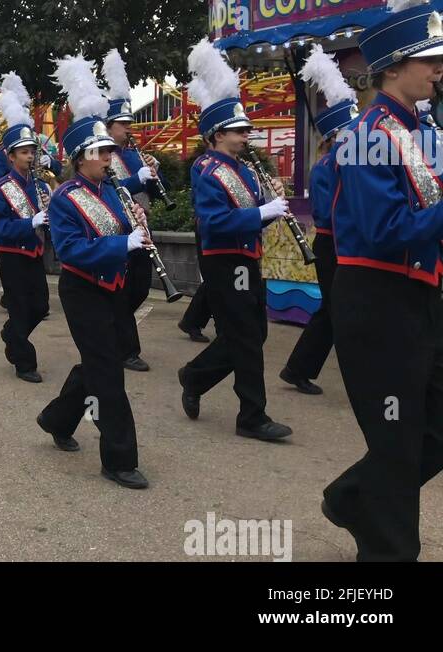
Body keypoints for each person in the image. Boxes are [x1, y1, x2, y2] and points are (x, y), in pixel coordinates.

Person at [323, 0, 443, 561]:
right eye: (430, 59)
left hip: (420, 296)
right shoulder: (365, 135)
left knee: (433, 426)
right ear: (393, 66)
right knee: (396, 441)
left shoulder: (419, 129)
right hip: (379, 302)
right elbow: (384, 229)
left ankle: (353, 496)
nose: (439, 68)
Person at [39, 54, 152, 489]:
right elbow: (70, 251)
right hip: (83, 291)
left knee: (96, 364)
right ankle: (119, 458)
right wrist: (121, 243)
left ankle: (56, 418)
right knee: (108, 374)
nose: (110, 158)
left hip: (114, 289)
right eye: (103, 152)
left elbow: (121, 229)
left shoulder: (113, 189)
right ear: (82, 157)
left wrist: (136, 234)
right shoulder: (67, 197)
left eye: (110, 151)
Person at [177, 39, 293, 442]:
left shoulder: (243, 168)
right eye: (239, 130)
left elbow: (250, 212)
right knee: (245, 337)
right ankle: (252, 416)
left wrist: (269, 200)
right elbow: (215, 222)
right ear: (217, 134)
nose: (247, 135)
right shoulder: (208, 169)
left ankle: (194, 376)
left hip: (247, 256)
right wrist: (262, 212)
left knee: (251, 335)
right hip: (225, 261)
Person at [279, 45, 356, 396]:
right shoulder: (327, 167)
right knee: (334, 309)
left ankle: (299, 367)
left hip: (343, 244)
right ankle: (298, 367)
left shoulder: (345, 164)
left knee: (338, 309)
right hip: (331, 244)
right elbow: (328, 212)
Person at [102, 49, 166, 372]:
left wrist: (155, 172)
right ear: (109, 126)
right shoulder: (102, 156)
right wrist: (134, 179)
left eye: (129, 123)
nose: (129, 129)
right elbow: (107, 187)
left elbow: (150, 188)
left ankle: (114, 334)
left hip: (141, 226)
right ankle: (126, 349)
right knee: (124, 289)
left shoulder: (132, 153)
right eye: (122, 124)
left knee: (140, 287)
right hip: (118, 232)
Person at [0, 72, 51, 383]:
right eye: (24, 152)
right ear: (11, 156)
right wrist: (31, 222)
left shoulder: (39, 184)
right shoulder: (1, 187)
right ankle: (24, 362)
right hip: (13, 256)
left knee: (40, 306)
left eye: (32, 151)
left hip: (35, 254)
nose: (30, 156)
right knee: (19, 307)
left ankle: (12, 334)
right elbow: (0, 229)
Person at [176, 149, 215, 344]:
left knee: (218, 279)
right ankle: (193, 321)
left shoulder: (238, 164)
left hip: (233, 229)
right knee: (214, 277)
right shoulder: (203, 164)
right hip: (210, 226)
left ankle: (192, 320)